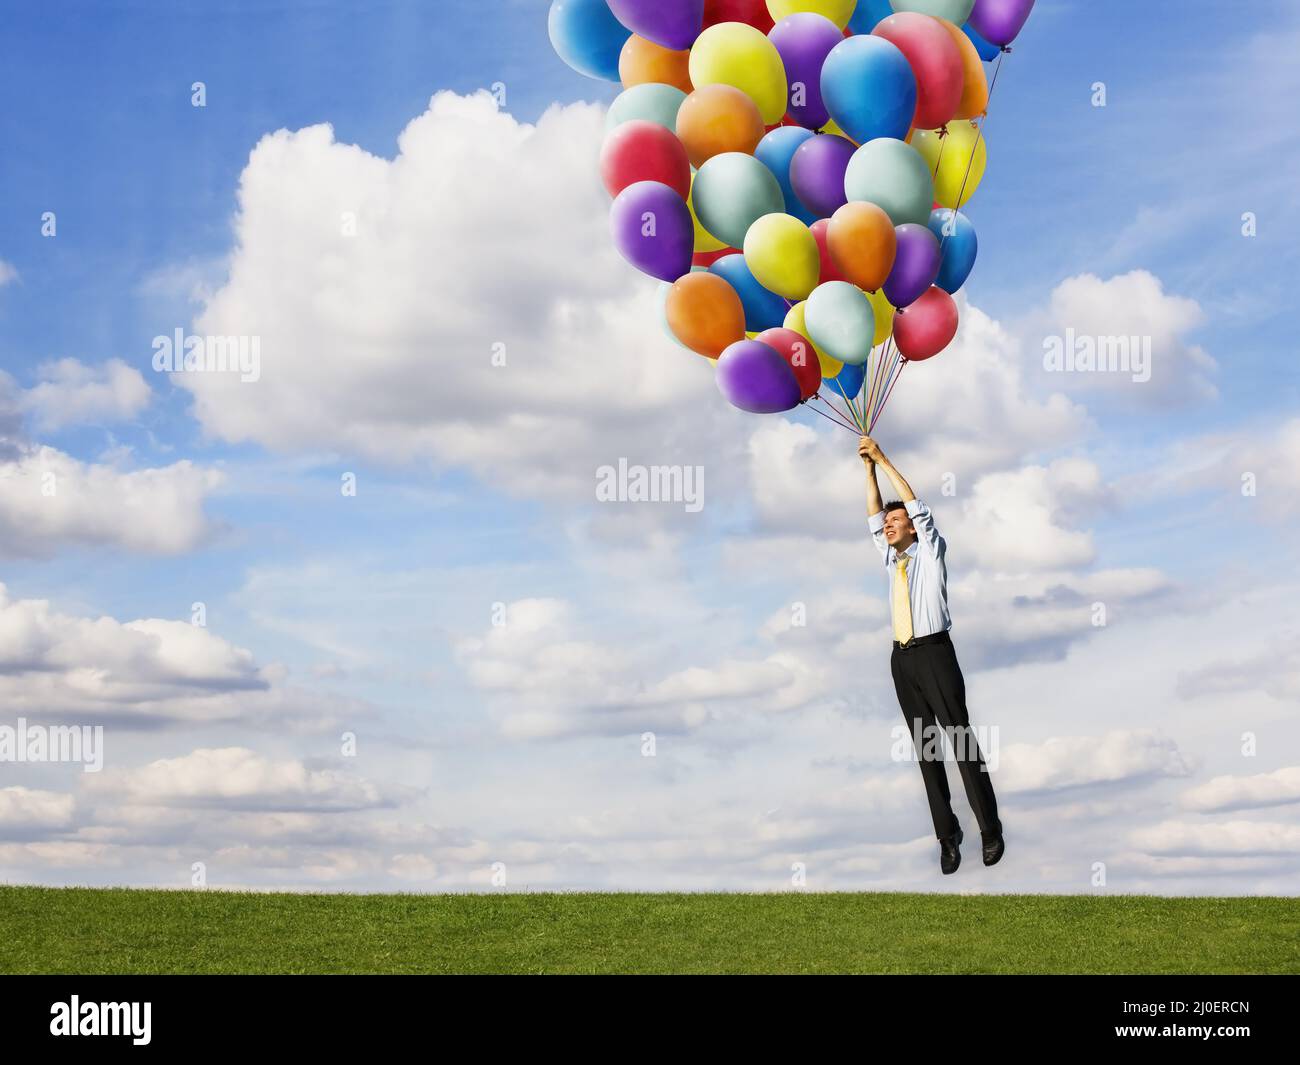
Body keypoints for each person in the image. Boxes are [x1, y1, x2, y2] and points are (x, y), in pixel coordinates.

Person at [858, 434, 1004, 875]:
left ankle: (990, 828)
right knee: (926, 750)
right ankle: (947, 835)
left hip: (936, 654)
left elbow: (917, 507)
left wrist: (883, 458)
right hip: (902, 661)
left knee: (960, 741)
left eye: (896, 520)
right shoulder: (891, 559)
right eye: (887, 522)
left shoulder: (930, 552)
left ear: (913, 526)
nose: (887, 524)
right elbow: (871, 514)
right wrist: (867, 469)